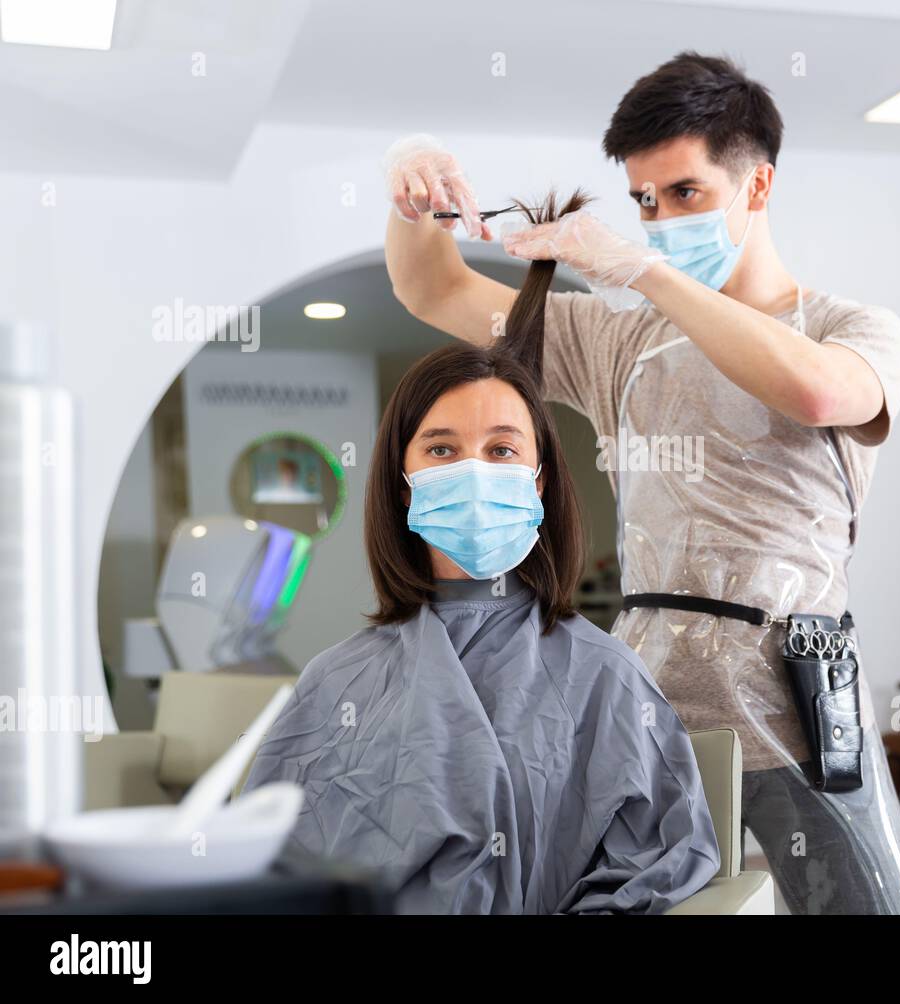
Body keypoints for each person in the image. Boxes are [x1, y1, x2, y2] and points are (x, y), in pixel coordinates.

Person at [383, 52, 900, 914]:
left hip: (798, 705)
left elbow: (821, 391)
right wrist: (412, 185)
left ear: (757, 188)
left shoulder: (849, 328)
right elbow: (430, 285)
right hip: (648, 706)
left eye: (684, 194)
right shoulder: (617, 344)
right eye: (643, 201)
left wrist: (645, 273)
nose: (659, 220)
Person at [242, 212, 721, 912]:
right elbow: (261, 869)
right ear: (401, 480)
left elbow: (657, 862)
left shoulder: (603, 677)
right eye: (441, 449)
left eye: (501, 450)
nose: (473, 470)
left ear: (541, 481)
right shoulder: (334, 681)